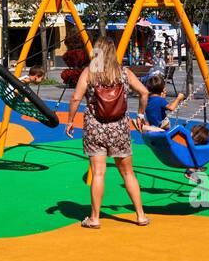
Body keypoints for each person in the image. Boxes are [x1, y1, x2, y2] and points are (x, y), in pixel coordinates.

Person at [64, 36, 151, 229]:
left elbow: (76, 99)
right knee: (128, 173)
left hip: (96, 128)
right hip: (119, 128)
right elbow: (144, 92)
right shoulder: (124, 73)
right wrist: (140, 113)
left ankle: (95, 218)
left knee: (98, 174)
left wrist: (70, 121)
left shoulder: (90, 73)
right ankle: (141, 215)